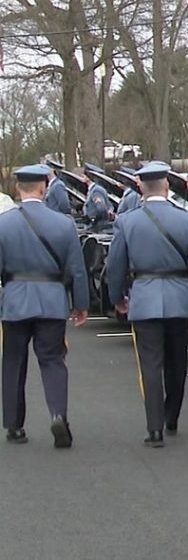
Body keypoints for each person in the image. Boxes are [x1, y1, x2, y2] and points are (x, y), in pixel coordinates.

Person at [105, 162, 188, 448]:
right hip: (179, 297)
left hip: (143, 296)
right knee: (177, 361)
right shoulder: (187, 219)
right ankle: (172, 415)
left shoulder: (127, 221)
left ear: (140, 186)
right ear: (166, 185)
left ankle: (154, 429)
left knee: (150, 364)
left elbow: (115, 265)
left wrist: (117, 297)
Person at [0, 164, 89, 448]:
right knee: (52, 360)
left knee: (13, 362)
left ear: (18, 188)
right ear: (43, 188)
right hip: (52, 300)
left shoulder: (3, 223)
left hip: (15, 299)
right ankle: (58, 414)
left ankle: (14, 426)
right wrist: (81, 304)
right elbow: (76, 270)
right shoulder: (64, 223)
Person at [81, 163, 113, 232]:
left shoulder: (96, 190)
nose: (82, 176)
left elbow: (101, 209)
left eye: (84, 175)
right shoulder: (92, 189)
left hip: (96, 227)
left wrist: (91, 218)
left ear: (89, 176)